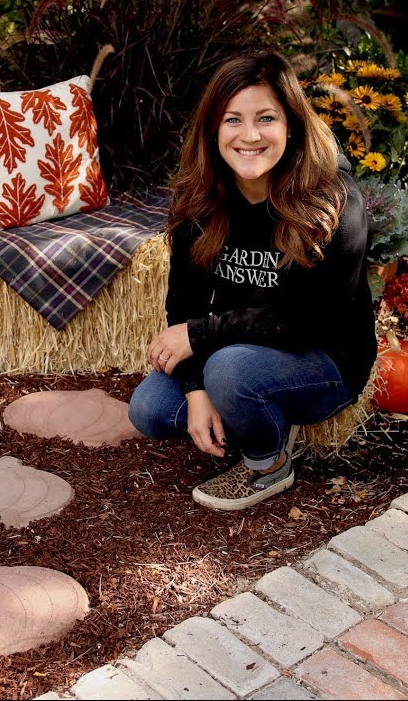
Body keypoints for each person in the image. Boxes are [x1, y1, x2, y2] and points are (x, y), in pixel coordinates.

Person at [128, 49, 376, 511]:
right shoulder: (200, 200)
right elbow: (184, 304)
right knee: (151, 410)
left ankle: (268, 462)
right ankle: (254, 405)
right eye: (232, 120)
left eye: (265, 118)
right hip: (242, 348)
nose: (249, 136)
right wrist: (195, 390)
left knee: (231, 372)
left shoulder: (336, 202)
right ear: (212, 130)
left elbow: (313, 321)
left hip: (324, 357)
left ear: (291, 126)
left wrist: (202, 338)